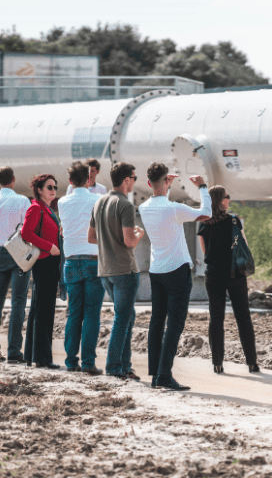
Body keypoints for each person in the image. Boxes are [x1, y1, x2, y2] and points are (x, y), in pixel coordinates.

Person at [139, 164, 211, 391]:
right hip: (177, 270)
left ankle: (155, 373)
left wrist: (165, 186)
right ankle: (164, 374)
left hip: (157, 270)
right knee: (175, 324)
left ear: (149, 183)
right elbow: (206, 213)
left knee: (157, 322)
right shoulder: (174, 209)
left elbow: (160, 198)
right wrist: (203, 187)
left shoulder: (144, 207)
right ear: (167, 182)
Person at [88, 162, 145, 380]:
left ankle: (125, 365)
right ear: (126, 180)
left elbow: (91, 237)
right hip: (125, 269)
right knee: (123, 318)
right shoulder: (125, 205)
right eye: (134, 177)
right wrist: (140, 233)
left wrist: (109, 240)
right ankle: (114, 366)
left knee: (127, 316)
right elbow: (130, 241)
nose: (134, 182)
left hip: (105, 270)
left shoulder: (100, 202)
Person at [197, 186, 258, 374]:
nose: (229, 199)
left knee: (216, 318)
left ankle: (217, 363)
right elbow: (243, 246)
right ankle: (252, 363)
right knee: (243, 317)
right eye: (227, 197)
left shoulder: (204, 224)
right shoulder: (233, 221)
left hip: (214, 275)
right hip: (236, 275)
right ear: (220, 201)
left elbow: (205, 251)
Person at [0, 166, 32, 363]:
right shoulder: (22, 201)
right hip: (18, 250)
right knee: (18, 301)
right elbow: (27, 229)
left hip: (0, 251)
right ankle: (14, 350)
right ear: (13, 180)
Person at [60, 161, 104, 375]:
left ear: (69, 181)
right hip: (93, 259)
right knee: (92, 314)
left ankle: (70, 361)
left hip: (71, 260)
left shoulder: (62, 202)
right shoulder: (98, 199)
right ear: (89, 179)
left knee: (74, 313)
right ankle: (88, 361)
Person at [21, 174, 62, 369]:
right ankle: (42, 358)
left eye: (55, 187)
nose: (53, 190)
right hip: (44, 263)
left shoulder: (47, 209)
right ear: (39, 189)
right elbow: (26, 233)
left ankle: (34, 355)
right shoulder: (36, 207)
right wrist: (49, 246)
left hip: (50, 264)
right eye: (49, 187)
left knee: (42, 310)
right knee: (43, 311)